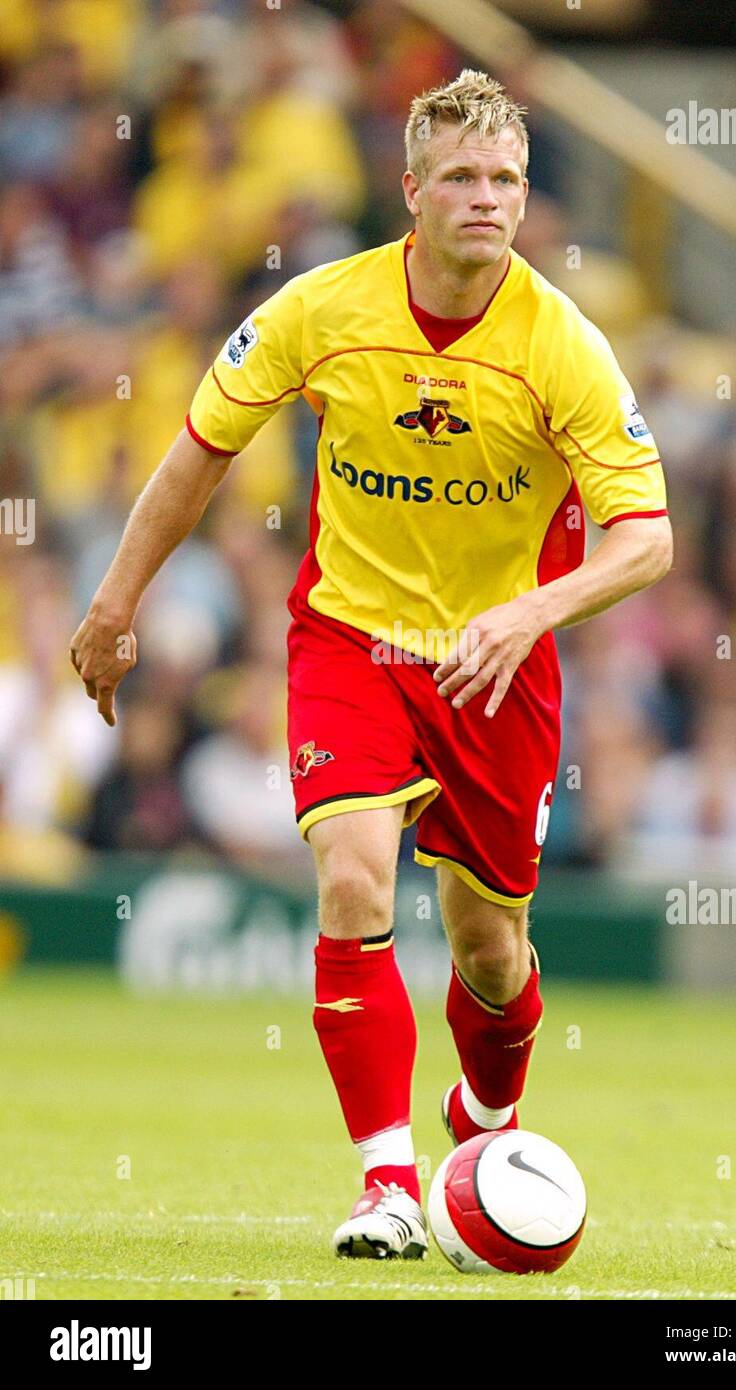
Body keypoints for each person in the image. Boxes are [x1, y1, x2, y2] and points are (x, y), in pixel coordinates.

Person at [70, 69, 672, 1260]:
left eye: (506, 179)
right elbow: (198, 451)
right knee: (353, 880)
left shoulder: (564, 347)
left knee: (492, 952)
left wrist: (524, 616)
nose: (487, 199)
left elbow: (647, 542)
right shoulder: (319, 309)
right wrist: (113, 601)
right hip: (349, 637)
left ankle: (482, 1122)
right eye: (461, 177)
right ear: (411, 191)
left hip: (495, 670)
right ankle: (386, 1182)